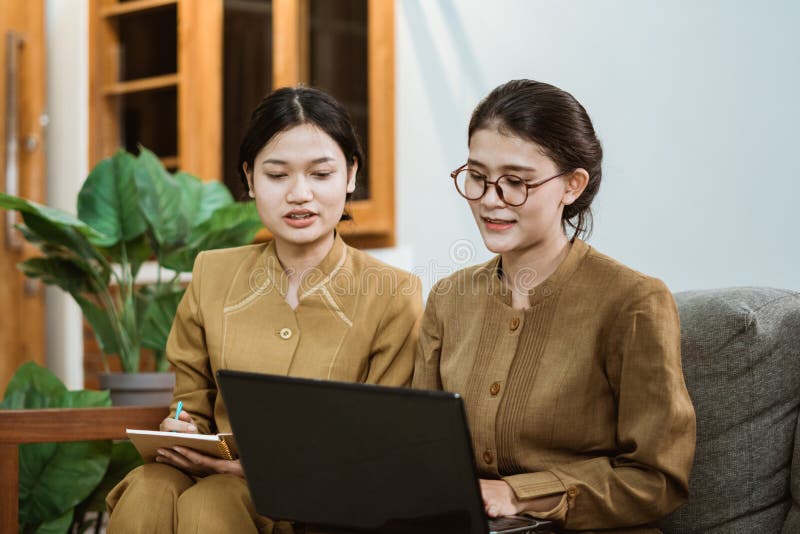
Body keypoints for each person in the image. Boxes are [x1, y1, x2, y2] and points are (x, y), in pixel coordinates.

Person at [107, 86, 422, 533]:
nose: (299, 194)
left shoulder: (394, 294)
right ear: (250, 179)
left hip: (324, 505)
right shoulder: (212, 273)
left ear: (350, 175)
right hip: (211, 475)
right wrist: (181, 427)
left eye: (320, 174)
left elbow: (382, 445)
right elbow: (190, 405)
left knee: (213, 503)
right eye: (277, 175)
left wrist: (269, 470)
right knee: (148, 487)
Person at [413, 79, 695, 532]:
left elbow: (657, 479)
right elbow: (420, 449)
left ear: (572, 185)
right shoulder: (449, 298)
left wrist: (518, 493)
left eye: (516, 183)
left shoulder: (633, 302)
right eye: (478, 177)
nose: (490, 199)